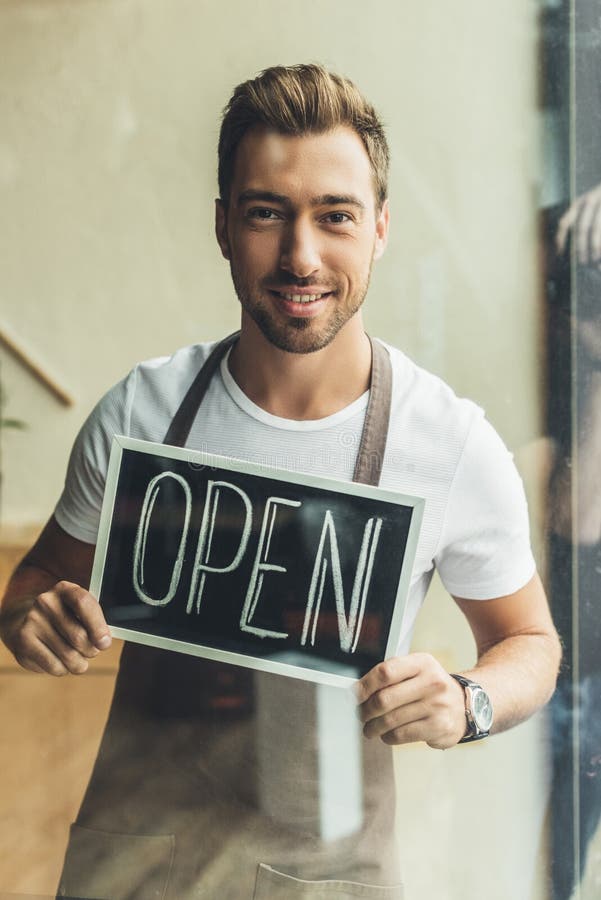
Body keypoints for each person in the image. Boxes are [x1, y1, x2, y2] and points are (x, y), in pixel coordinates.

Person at [0, 64, 560, 899]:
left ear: (378, 228)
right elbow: (35, 584)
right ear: (224, 226)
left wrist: (468, 701)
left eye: (334, 217)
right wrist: (30, 617)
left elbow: (531, 645)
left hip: (329, 875)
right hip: (134, 864)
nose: (301, 256)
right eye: (267, 214)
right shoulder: (142, 410)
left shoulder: (446, 444)